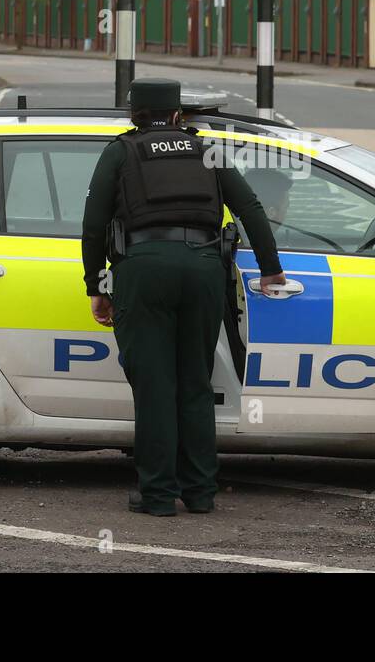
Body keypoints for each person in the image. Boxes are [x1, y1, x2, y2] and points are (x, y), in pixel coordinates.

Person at [81, 79, 286, 517]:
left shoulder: (121, 151)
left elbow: (94, 225)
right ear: (178, 115)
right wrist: (270, 268)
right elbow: (249, 207)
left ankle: (157, 496)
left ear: (134, 115)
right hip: (203, 268)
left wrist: (96, 287)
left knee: (154, 385)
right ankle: (200, 493)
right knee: (195, 382)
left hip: (143, 269)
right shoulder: (206, 149)